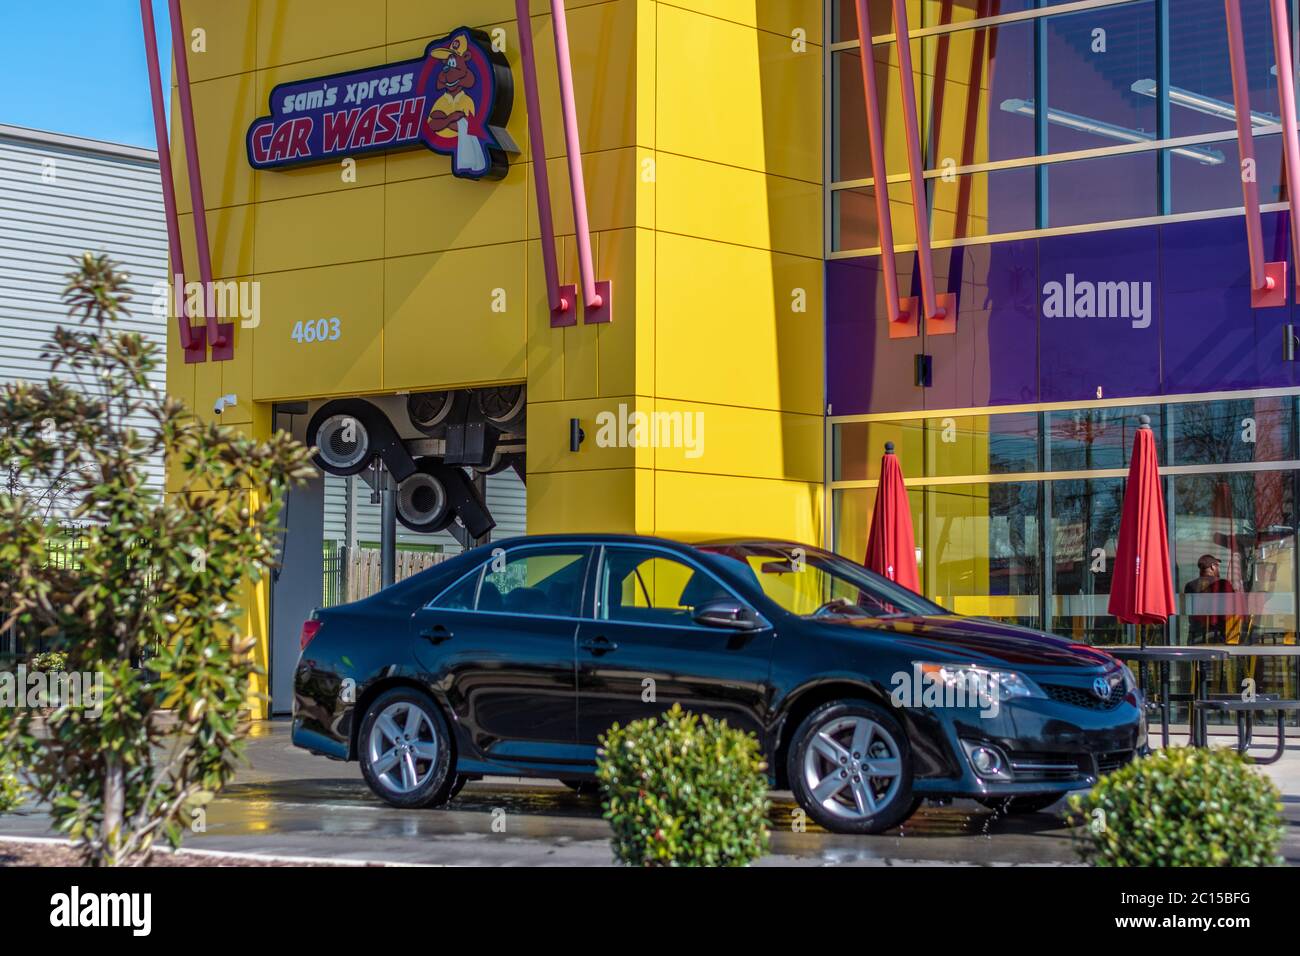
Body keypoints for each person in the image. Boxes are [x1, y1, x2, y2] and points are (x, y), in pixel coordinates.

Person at [1183, 553, 1237, 645]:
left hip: (1195, 634)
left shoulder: (1190, 586)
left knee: (1197, 658)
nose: (1218, 569)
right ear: (1212, 566)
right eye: (1217, 566)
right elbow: (1233, 607)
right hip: (1216, 635)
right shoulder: (1223, 584)